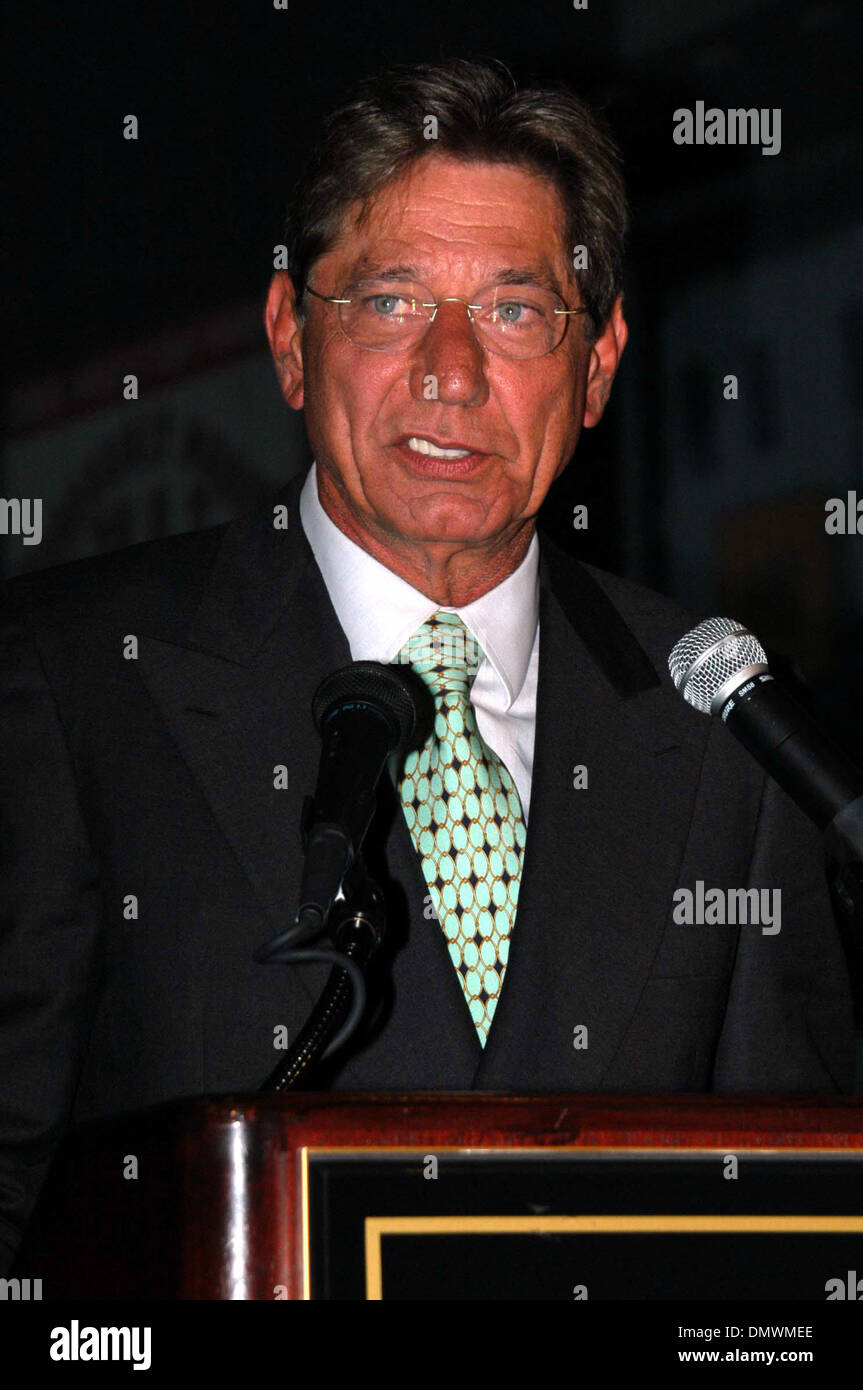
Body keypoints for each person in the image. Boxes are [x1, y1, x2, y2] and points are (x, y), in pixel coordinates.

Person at [0, 58, 854, 1276]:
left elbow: (790, 1237)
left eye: (514, 311)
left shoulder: (723, 722)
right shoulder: (71, 681)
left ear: (598, 362)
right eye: (390, 302)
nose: (451, 372)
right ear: (291, 338)